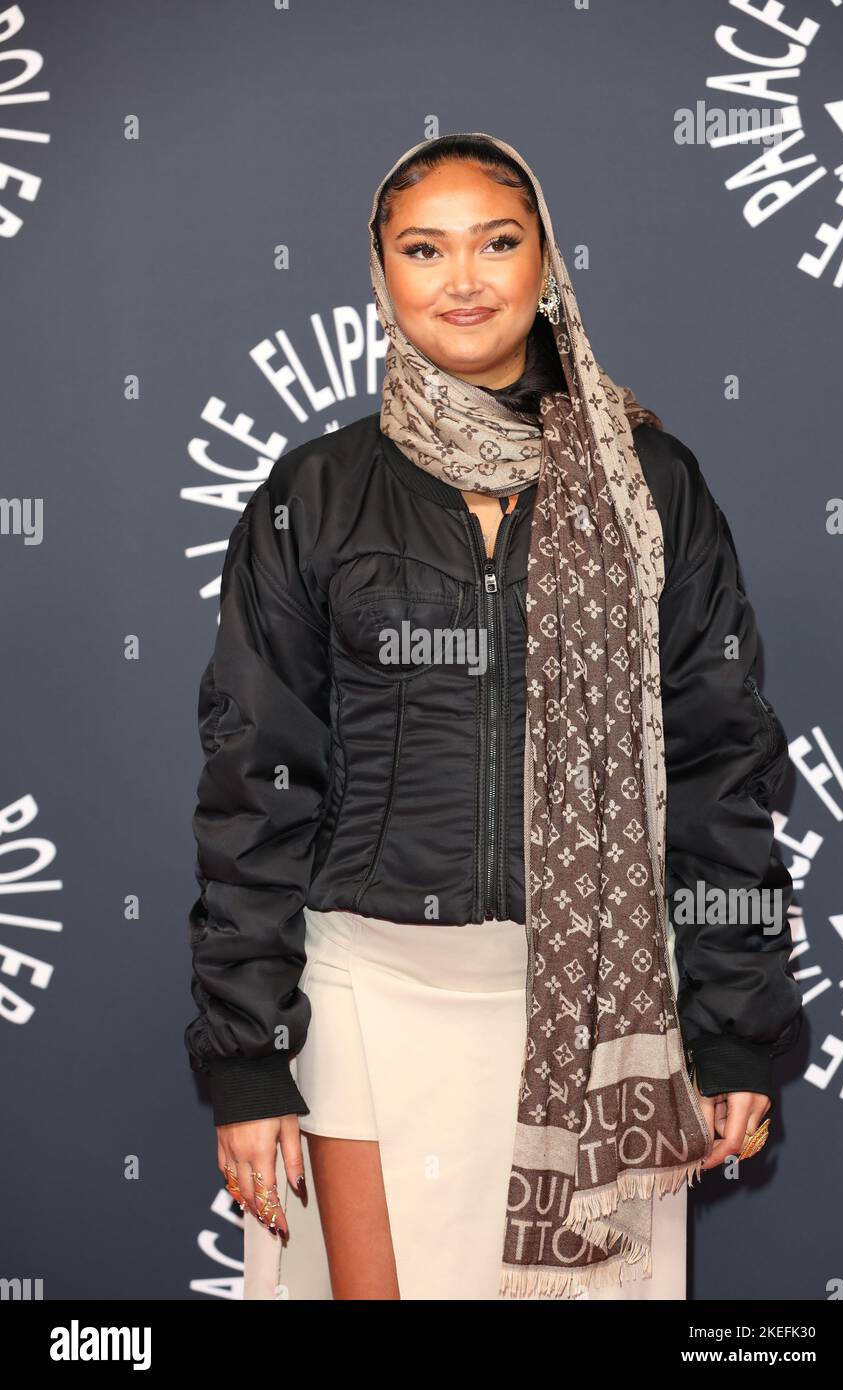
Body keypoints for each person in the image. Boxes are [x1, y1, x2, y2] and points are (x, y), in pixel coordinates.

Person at [184, 133, 803, 1301]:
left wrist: (733, 1027)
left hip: (605, 1005)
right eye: (424, 249)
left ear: (543, 264)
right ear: (380, 272)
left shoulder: (649, 481)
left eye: (496, 242)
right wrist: (248, 1054)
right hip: (366, 991)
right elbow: (255, 780)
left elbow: (715, 765)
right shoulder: (313, 494)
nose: (462, 278)